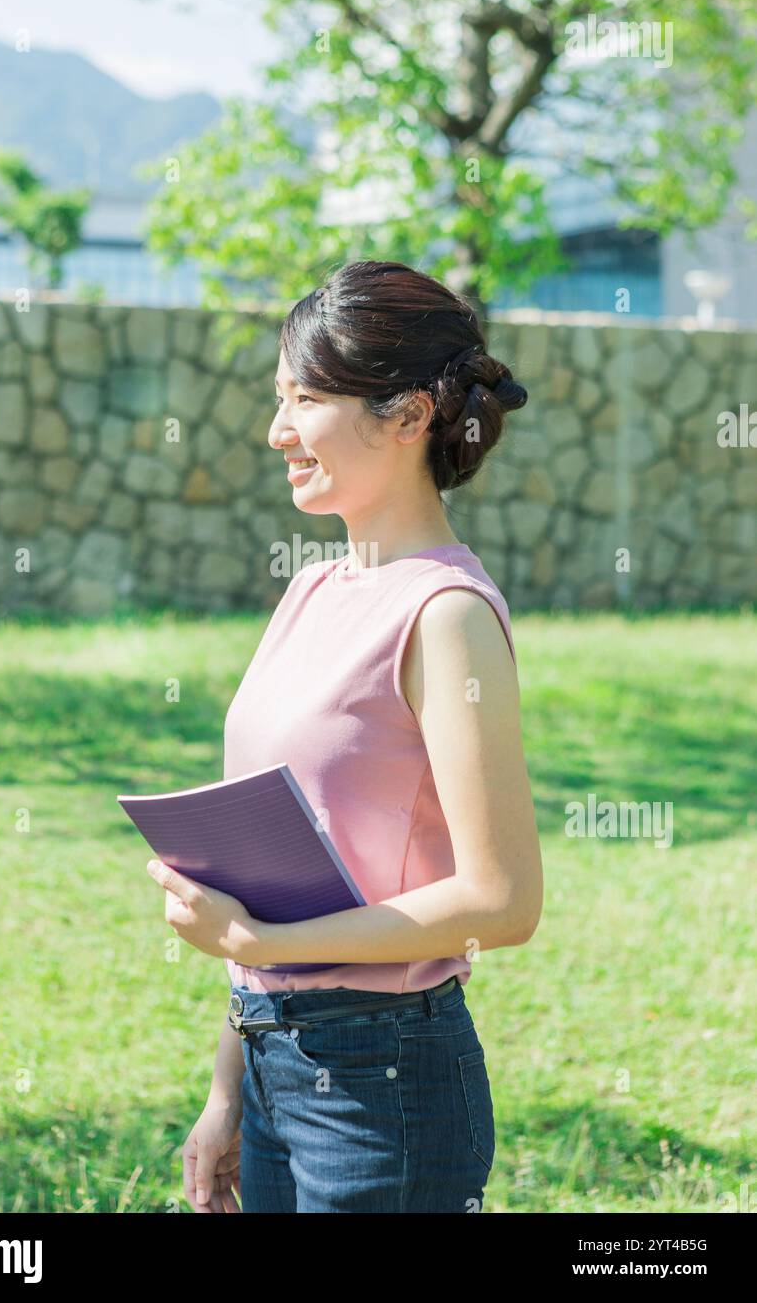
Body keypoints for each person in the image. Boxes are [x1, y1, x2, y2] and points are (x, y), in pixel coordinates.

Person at [148, 259, 543, 1213]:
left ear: (408, 416)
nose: (276, 430)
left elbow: (504, 898)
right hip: (275, 1058)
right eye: (279, 397)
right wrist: (227, 1090)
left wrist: (264, 938)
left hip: (386, 1085)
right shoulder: (312, 588)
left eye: (306, 398)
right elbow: (266, 866)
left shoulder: (445, 615)